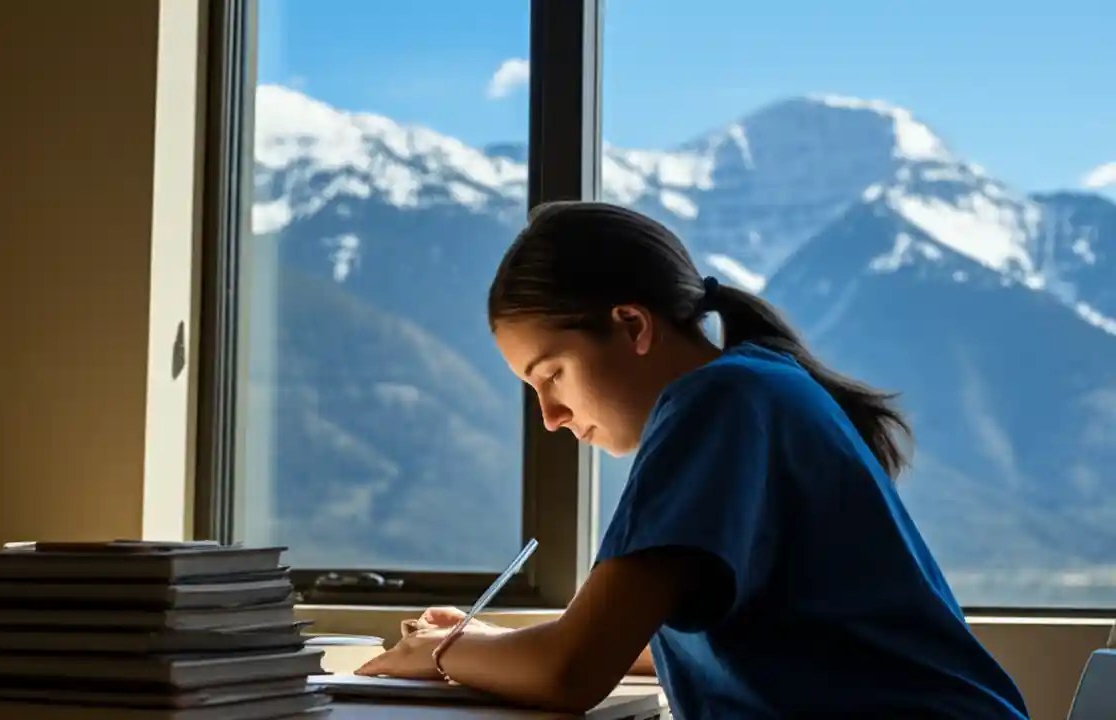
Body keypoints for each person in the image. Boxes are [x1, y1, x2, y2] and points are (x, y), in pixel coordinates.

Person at [355, 201, 1030, 719]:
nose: (551, 417)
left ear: (632, 326)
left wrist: (441, 653)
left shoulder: (717, 404)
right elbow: (674, 642)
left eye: (551, 374)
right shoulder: (759, 386)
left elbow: (573, 674)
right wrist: (486, 641)